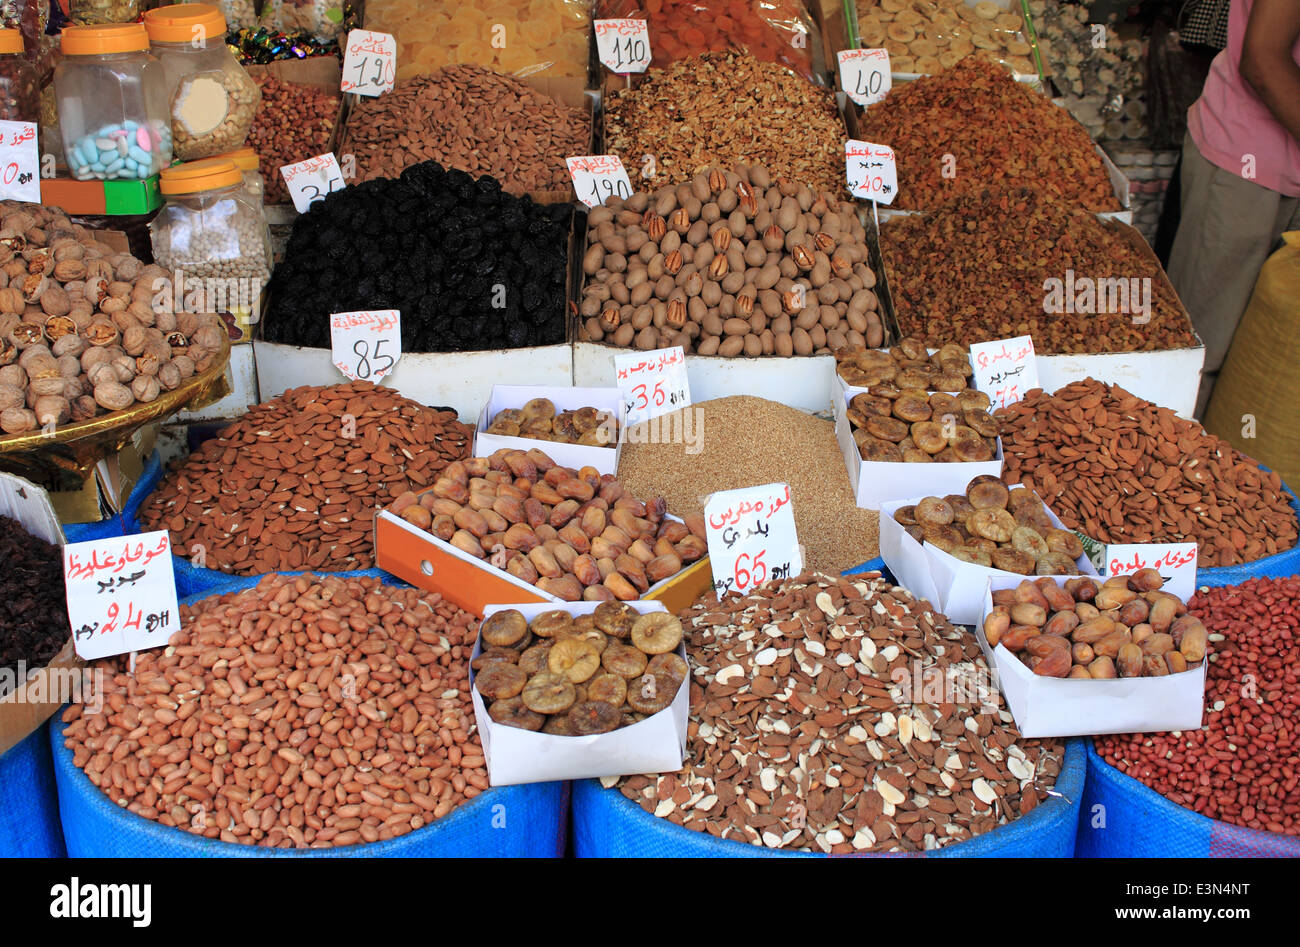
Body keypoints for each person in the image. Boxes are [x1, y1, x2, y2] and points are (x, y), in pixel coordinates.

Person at [1166, 0, 1300, 417]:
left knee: (1263, 355)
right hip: (1248, 162)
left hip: (1285, 165)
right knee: (1201, 352)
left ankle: (1227, 469)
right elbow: (1262, 59)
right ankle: (1165, 474)